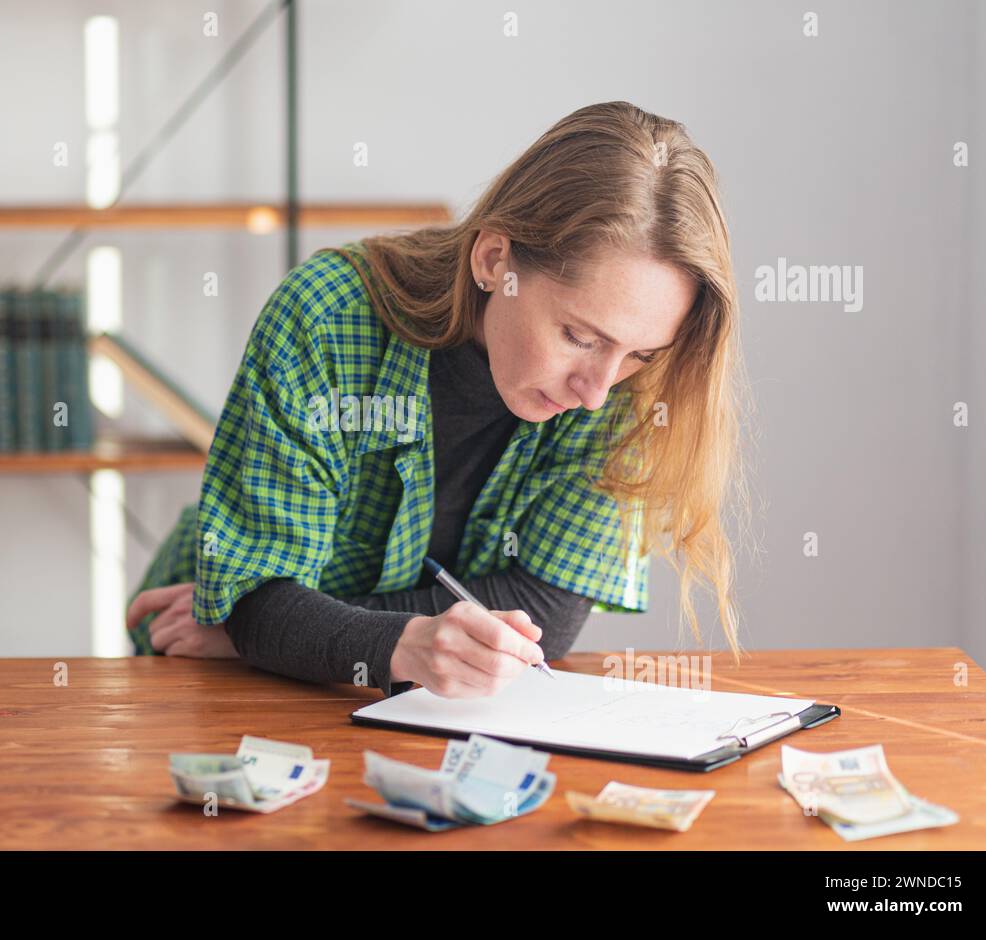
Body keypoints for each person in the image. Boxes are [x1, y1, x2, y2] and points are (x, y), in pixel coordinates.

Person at [126, 100, 751, 699]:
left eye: (639, 353)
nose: (595, 393)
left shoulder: (629, 386)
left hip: (348, 682)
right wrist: (265, 625)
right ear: (492, 258)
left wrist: (290, 634)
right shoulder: (324, 318)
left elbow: (547, 614)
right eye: (579, 336)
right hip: (193, 661)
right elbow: (256, 598)